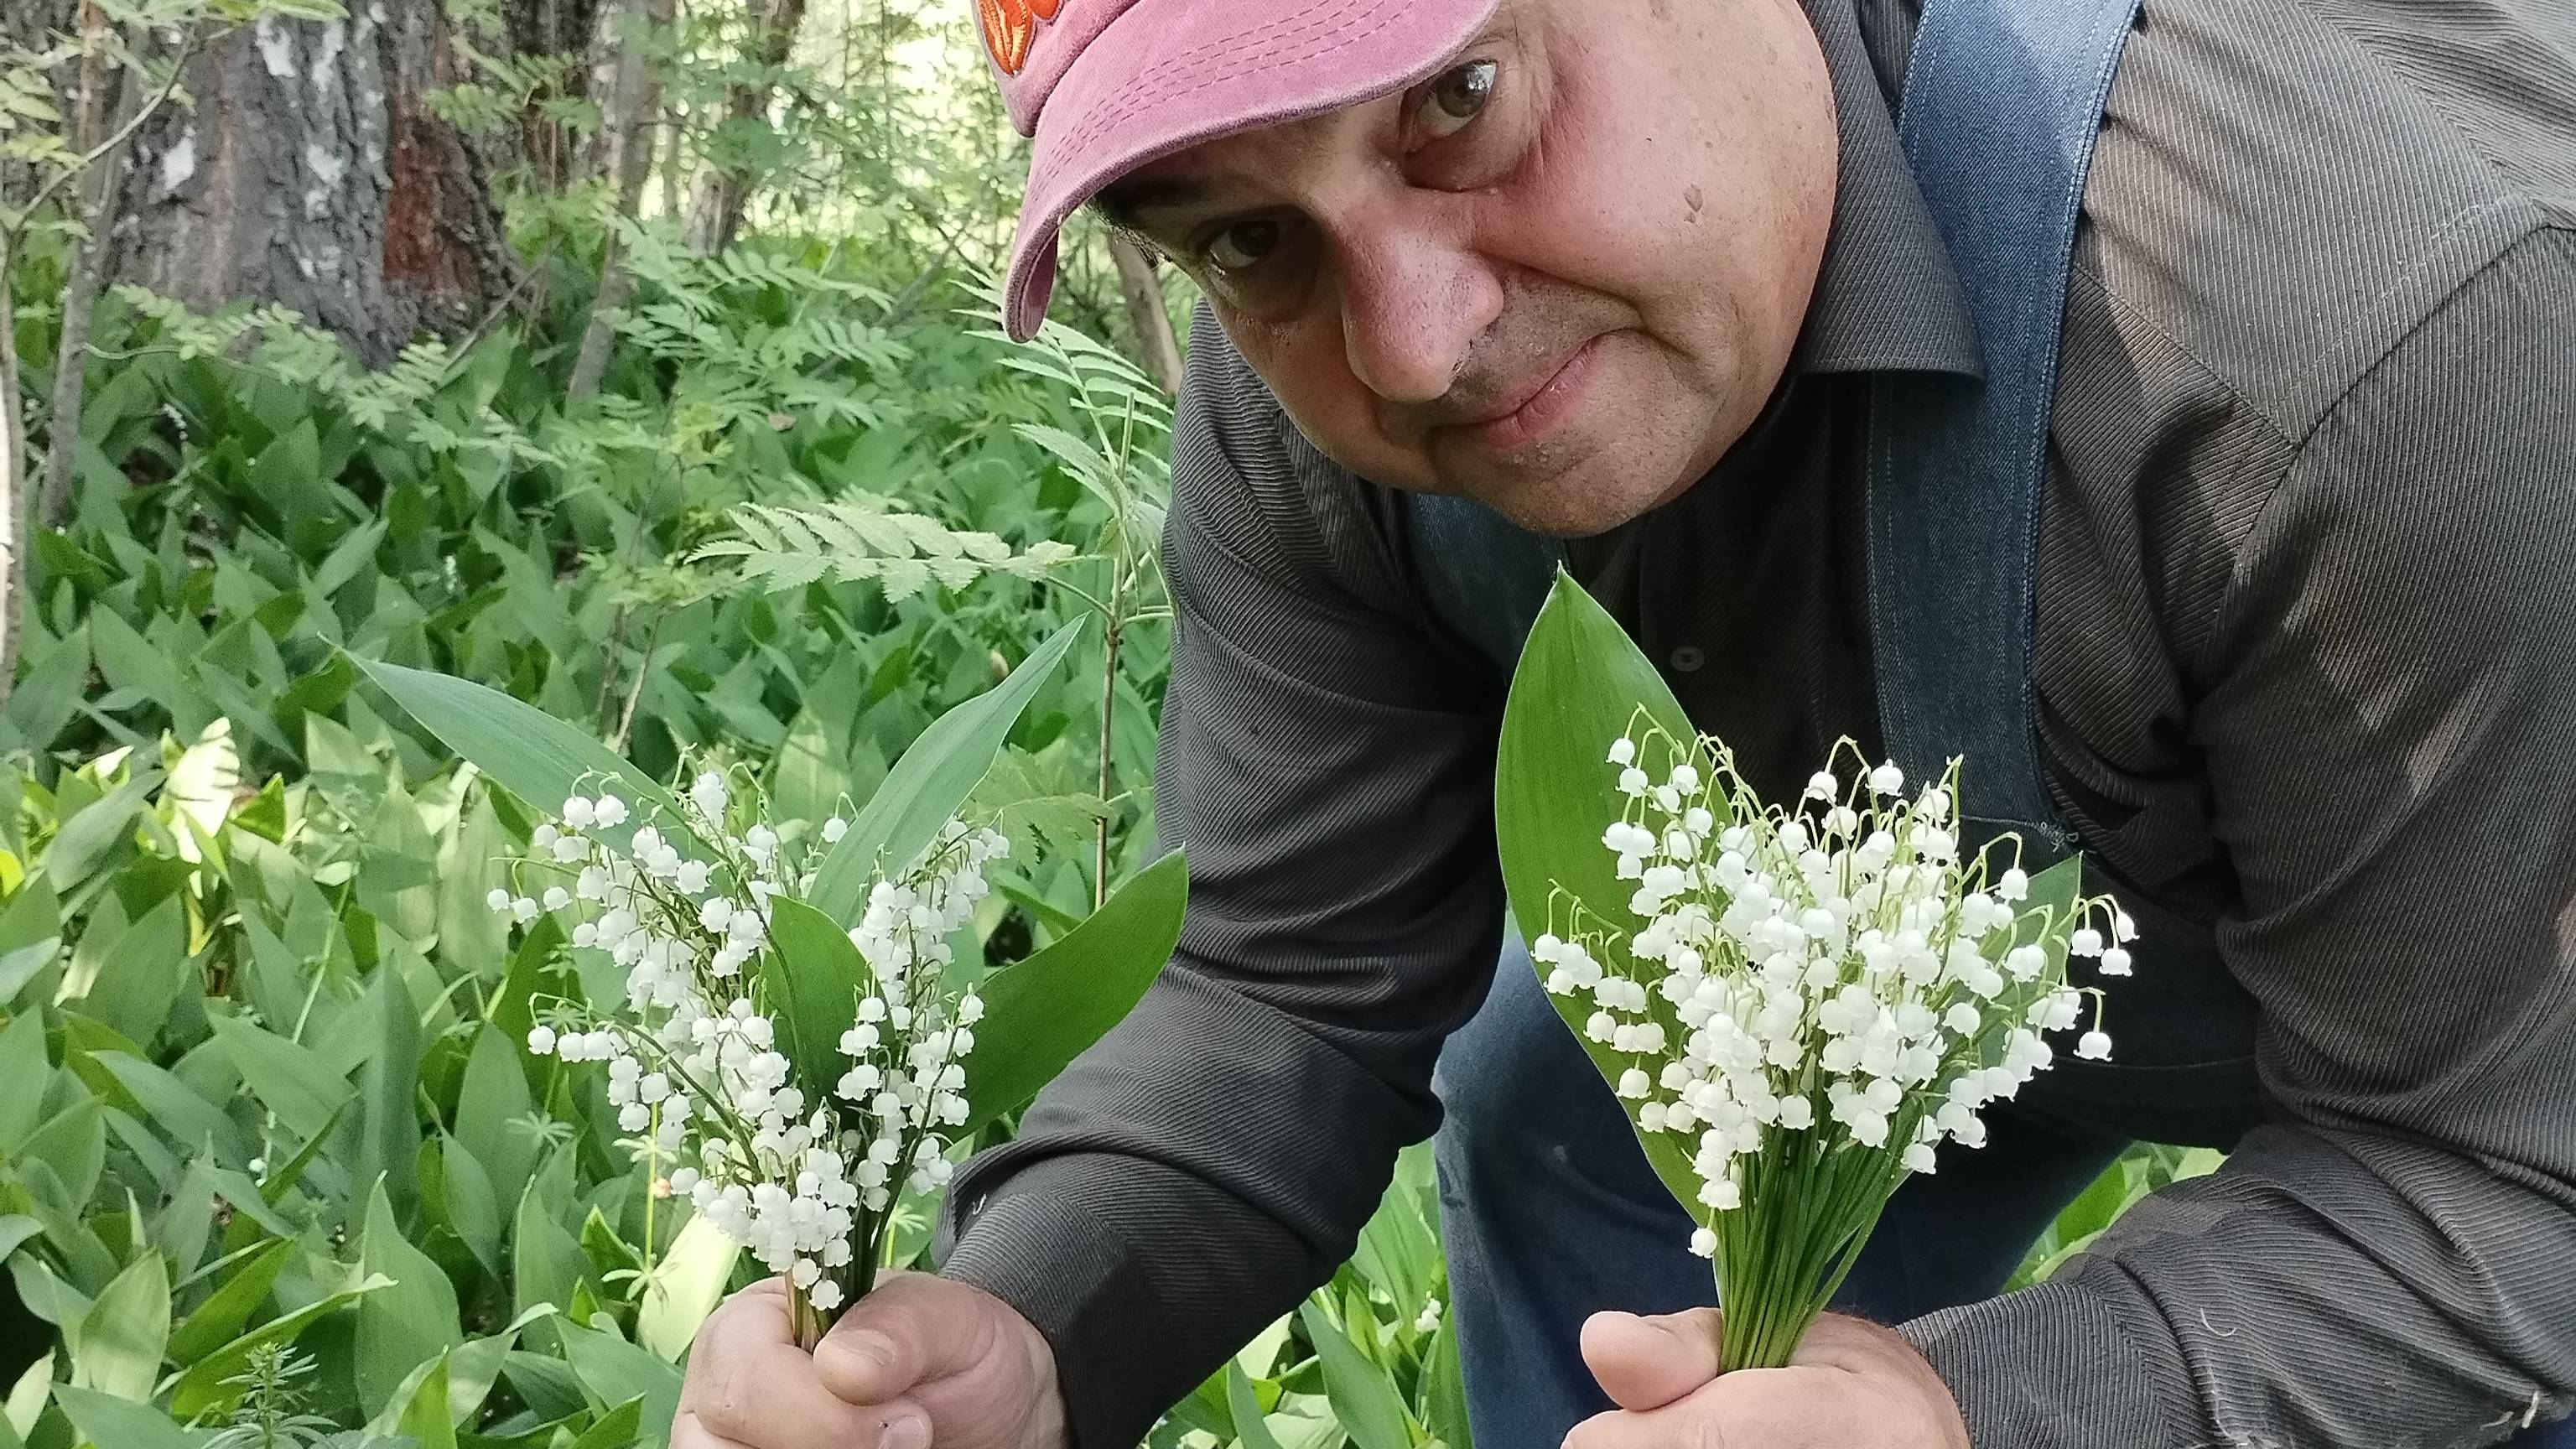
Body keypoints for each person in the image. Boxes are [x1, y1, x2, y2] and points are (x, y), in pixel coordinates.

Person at [673, 0, 2576, 1444]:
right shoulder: (1315, 403)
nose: (1414, 344)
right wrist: (1025, 1331)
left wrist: (1980, 1410)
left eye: (1461, 98)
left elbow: (2509, 1174)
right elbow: (1286, 982)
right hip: (1903, 955)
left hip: (2502, 961)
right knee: (1563, 1108)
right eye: (1244, 239)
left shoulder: (2337, 331)